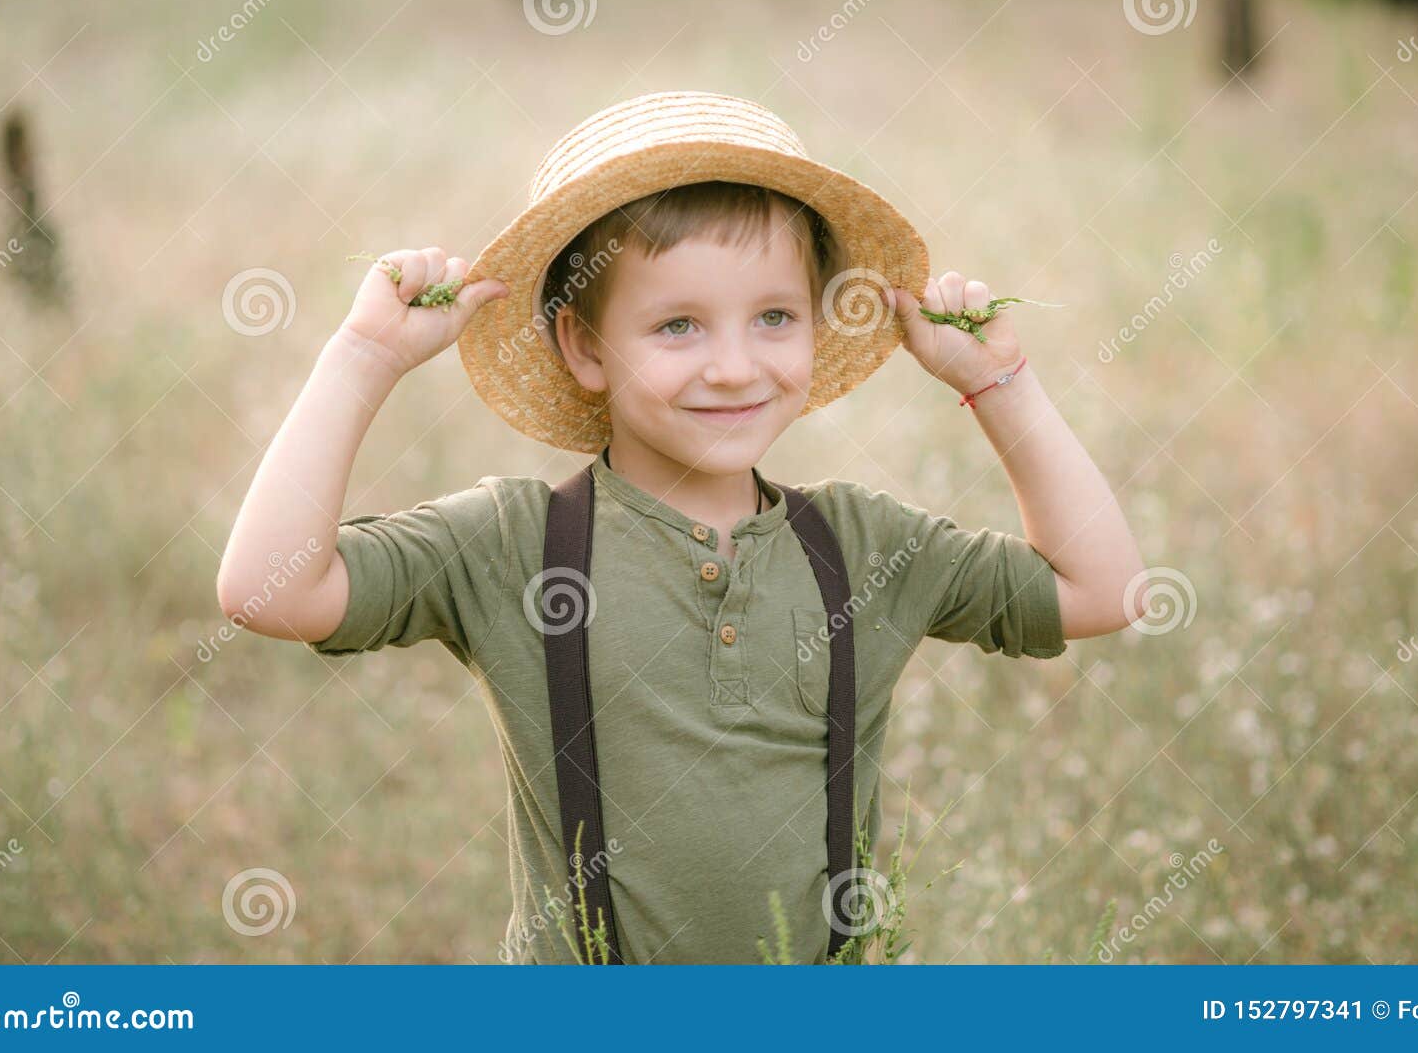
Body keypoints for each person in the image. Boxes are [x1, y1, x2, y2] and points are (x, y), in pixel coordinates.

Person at [216, 90, 1148, 964]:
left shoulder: (866, 550)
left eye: (774, 317)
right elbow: (269, 589)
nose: (736, 367)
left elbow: (1103, 592)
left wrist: (1001, 387)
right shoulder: (513, 547)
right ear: (583, 346)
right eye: (678, 327)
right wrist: (362, 359)